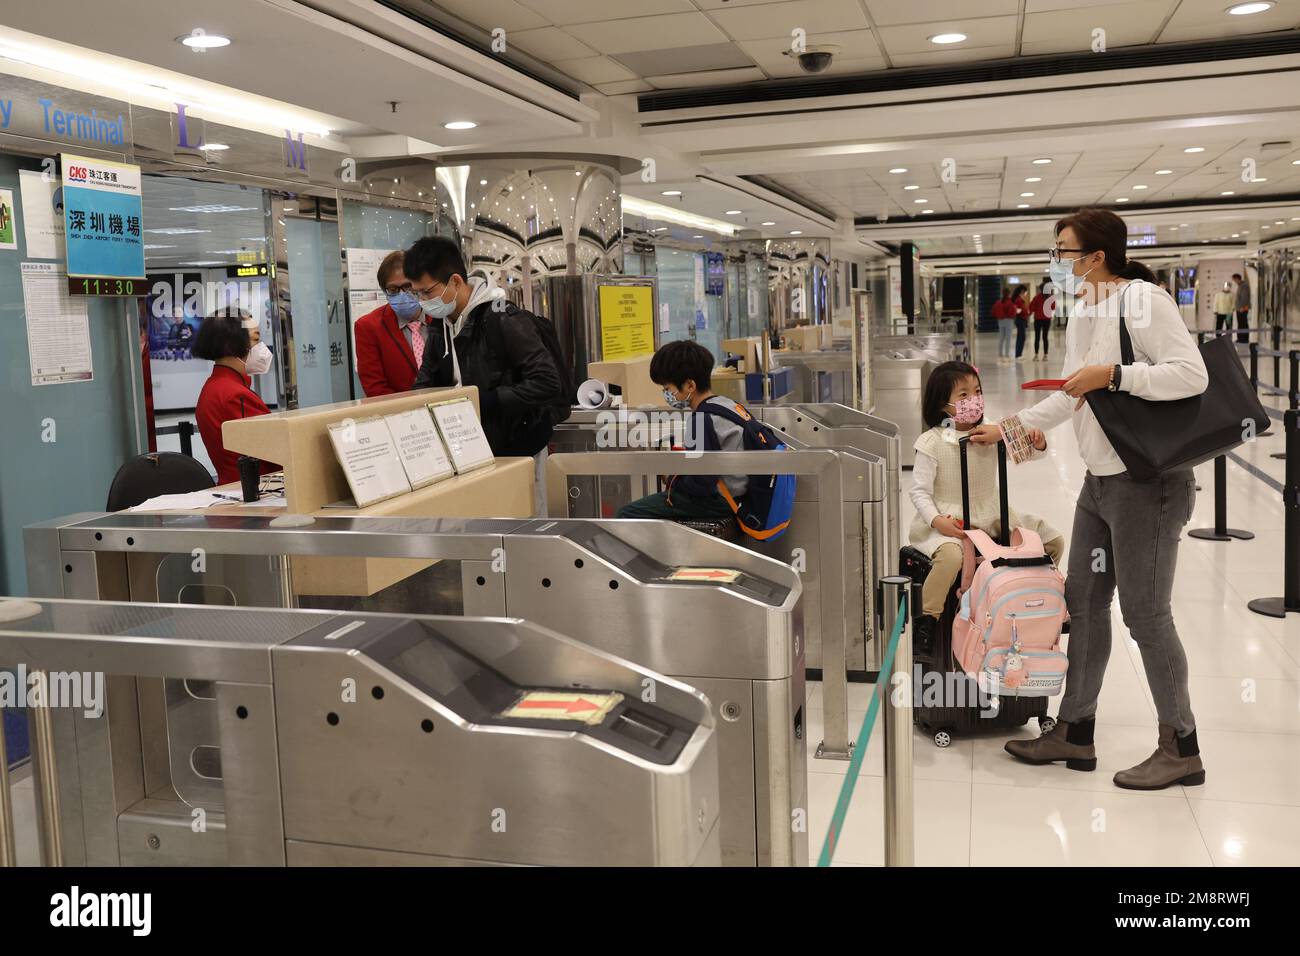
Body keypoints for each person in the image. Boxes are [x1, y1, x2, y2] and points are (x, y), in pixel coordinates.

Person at [972, 206, 1209, 790]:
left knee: (1146, 615)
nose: (1057, 261)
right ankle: (1075, 732)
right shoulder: (1084, 310)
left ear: (1097, 256)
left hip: (1147, 483)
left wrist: (1117, 375)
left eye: (1064, 251)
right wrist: (1009, 428)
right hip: (1099, 482)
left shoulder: (1143, 300)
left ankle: (1181, 746)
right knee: (1083, 604)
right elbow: (1070, 394)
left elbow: (1191, 374)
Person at [908, 360, 1064, 661]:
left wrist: (1038, 444)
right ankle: (926, 621)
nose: (974, 400)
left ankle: (1034, 594)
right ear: (942, 405)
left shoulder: (990, 431)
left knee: (1051, 540)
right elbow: (919, 491)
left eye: (977, 392)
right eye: (963, 395)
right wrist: (937, 520)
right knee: (951, 558)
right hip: (950, 521)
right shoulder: (931, 443)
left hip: (992, 514)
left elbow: (1025, 454)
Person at [406, 237, 562, 515]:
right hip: (468, 454)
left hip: (518, 450)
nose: (422, 302)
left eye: (427, 292)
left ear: (455, 282)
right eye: (416, 293)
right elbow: (424, 385)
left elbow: (547, 382)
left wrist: (485, 401)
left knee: (524, 530)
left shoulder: (503, 318)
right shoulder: (440, 328)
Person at [616, 340, 747, 521]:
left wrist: (672, 478)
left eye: (667, 388)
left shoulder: (701, 419)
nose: (667, 394)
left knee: (626, 514)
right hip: (742, 494)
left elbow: (701, 484)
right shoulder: (726, 404)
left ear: (690, 386)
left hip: (721, 501)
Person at [193, 309, 280, 485]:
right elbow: (275, 449)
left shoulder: (215, 387)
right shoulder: (235, 395)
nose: (261, 347)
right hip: (256, 489)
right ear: (230, 345)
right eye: (256, 339)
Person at [355, 250, 430, 396]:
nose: (402, 294)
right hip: (400, 408)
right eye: (393, 289)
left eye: (408, 286)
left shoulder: (440, 315)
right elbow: (375, 388)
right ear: (385, 291)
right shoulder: (368, 327)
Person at [1029, 279, 1055, 361]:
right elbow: (1053, 307)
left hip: (1038, 320)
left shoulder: (1036, 298)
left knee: (1037, 337)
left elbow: (1031, 308)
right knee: (1045, 337)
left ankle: (1036, 355)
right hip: (1047, 320)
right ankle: (1045, 355)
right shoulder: (1050, 297)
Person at [993, 288, 1014, 363]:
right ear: (1009, 294)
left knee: (1001, 338)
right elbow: (1012, 312)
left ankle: (1000, 354)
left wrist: (998, 317)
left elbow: (993, 311)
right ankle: (1007, 355)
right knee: (1008, 338)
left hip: (1000, 321)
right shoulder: (1009, 302)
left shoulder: (998, 302)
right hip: (1008, 321)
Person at [1011, 284, 1030, 362]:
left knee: (1021, 337)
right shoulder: (1018, 300)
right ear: (1022, 291)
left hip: (1022, 319)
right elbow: (1018, 310)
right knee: (1021, 337)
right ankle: (1018, 354)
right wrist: (1026, 312)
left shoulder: (1020, 300)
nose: (1026, 294)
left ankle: (1019, 354)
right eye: (1025, 292)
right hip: (1020, 320)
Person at [1232, 271, 1251, 344]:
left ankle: (1243, 339)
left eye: (1234, 280)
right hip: (1240, 308)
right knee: (1242, 323)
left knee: (1242, 323)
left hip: (1242, 309)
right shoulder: (1240, 286)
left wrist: (1242, 307)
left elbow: (1244, 298)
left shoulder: (1244, 286)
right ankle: (1241, 338)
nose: (1234, 281)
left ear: (1237, 279)